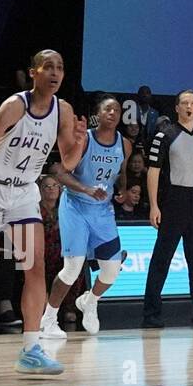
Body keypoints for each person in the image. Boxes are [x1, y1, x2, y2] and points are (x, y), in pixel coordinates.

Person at [0, 50, 79, 378]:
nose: (55, 72)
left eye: (60, 67)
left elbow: (66, 163)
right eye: (48, 67)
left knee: (36, 267)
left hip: (24, 191)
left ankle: (31, 349)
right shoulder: (15, 106)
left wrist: (79, 143)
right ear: (33, 72)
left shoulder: (63, 110)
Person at [40, 95, 132, 338]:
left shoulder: (125, 144)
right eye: (108, 109)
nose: (113, 113)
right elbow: (58, 171)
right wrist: (86, 189)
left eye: (117, 110)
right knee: (72, 268)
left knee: (112, 270)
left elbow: (121, 173)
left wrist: (122, 189)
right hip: (75, 207)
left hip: (102, 212)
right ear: (98, 114)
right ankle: (48, 319)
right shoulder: (84, 139)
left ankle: (90, 301)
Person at [142, 90, 193, 328]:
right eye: (184, 103)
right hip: (173, 200)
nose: (189, 106)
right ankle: (151, 314)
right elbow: (153, 170)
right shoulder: (164, 134)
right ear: (176, 108)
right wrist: (154, 205)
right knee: (162, 259)